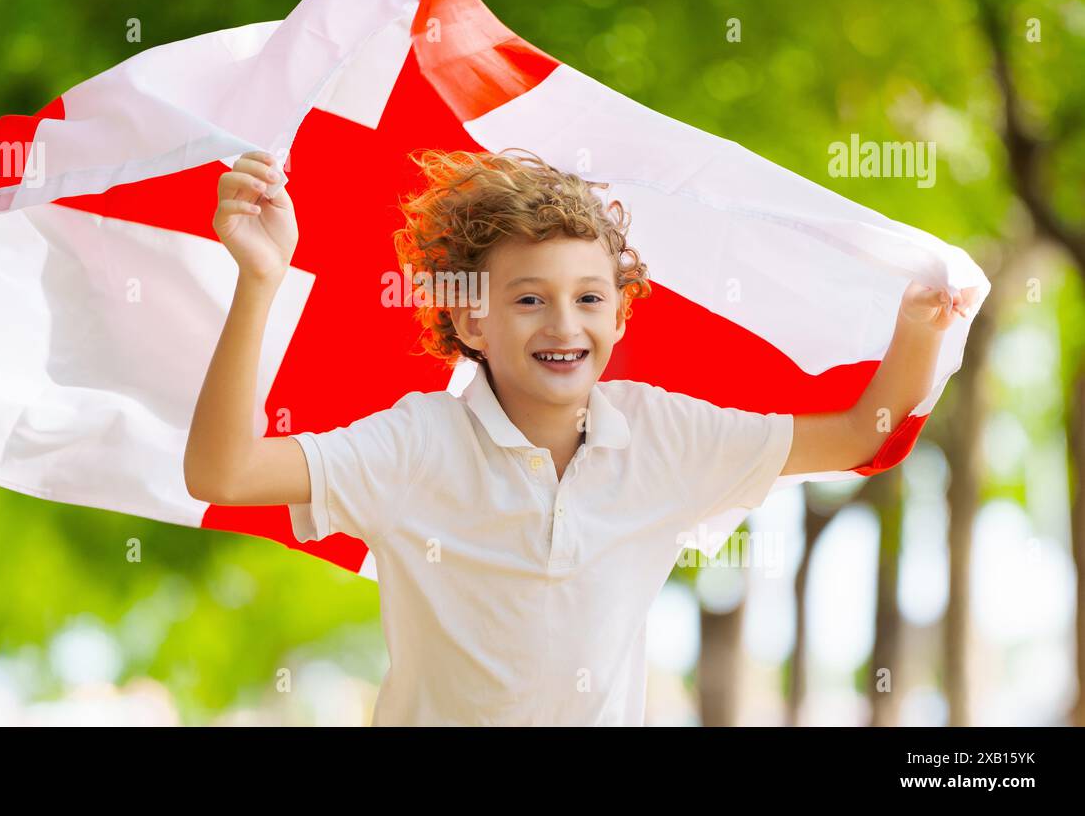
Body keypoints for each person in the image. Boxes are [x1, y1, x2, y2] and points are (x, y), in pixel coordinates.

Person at [183, 147, 976, 726]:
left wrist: (916, 330)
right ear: (470, 319)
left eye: (590, 298)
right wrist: (260, 279)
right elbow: (224, 472)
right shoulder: (414, 445)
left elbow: (853, 437)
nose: (565, 325)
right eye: (529, 300)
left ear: (622, 314)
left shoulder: (664, 436)